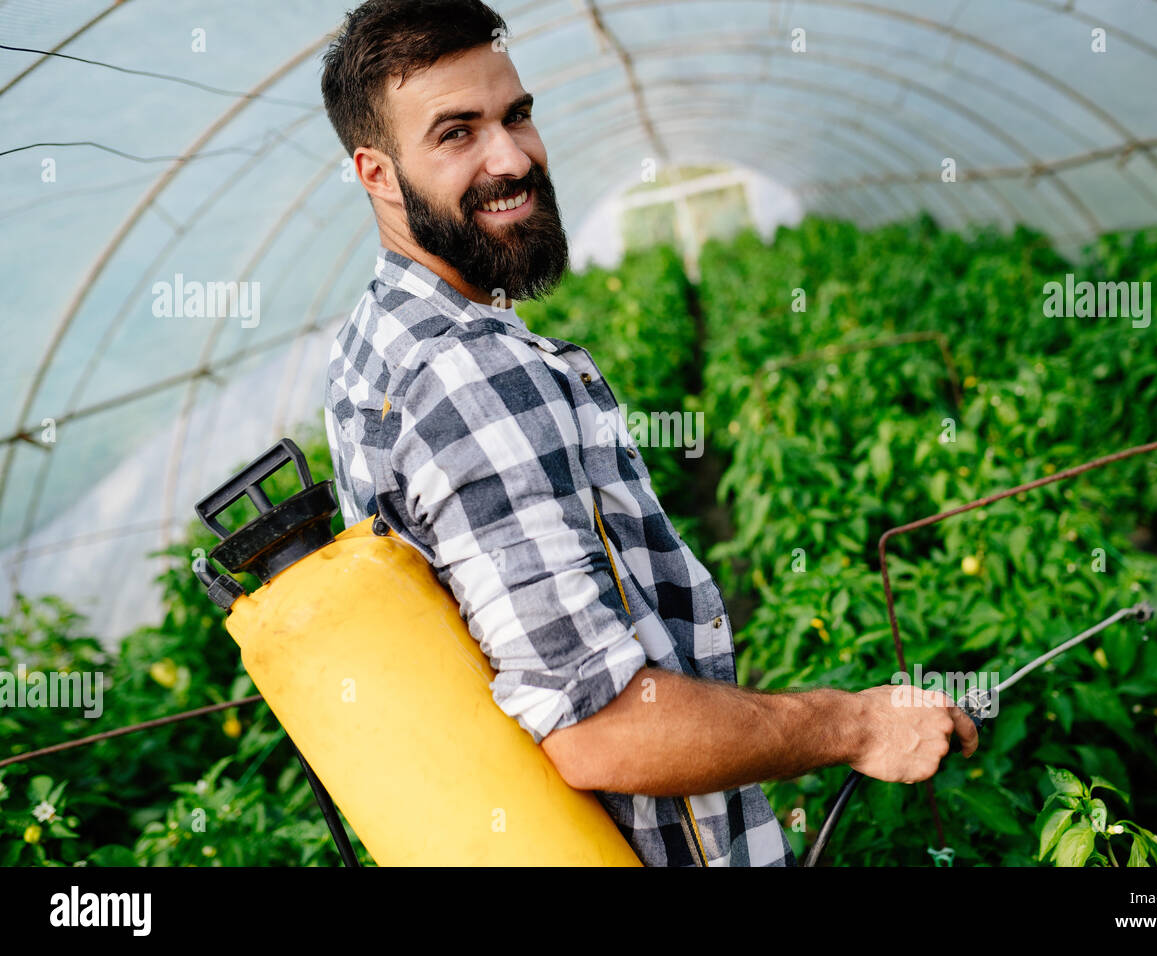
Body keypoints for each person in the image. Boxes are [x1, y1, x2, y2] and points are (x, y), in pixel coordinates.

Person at [320, 0, 978, 867]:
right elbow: (601, 728)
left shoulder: (371, 340)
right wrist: (855, 723)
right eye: (456, 133)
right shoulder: (467, 374)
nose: (511, 157)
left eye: (516, 115)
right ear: (375, 172)